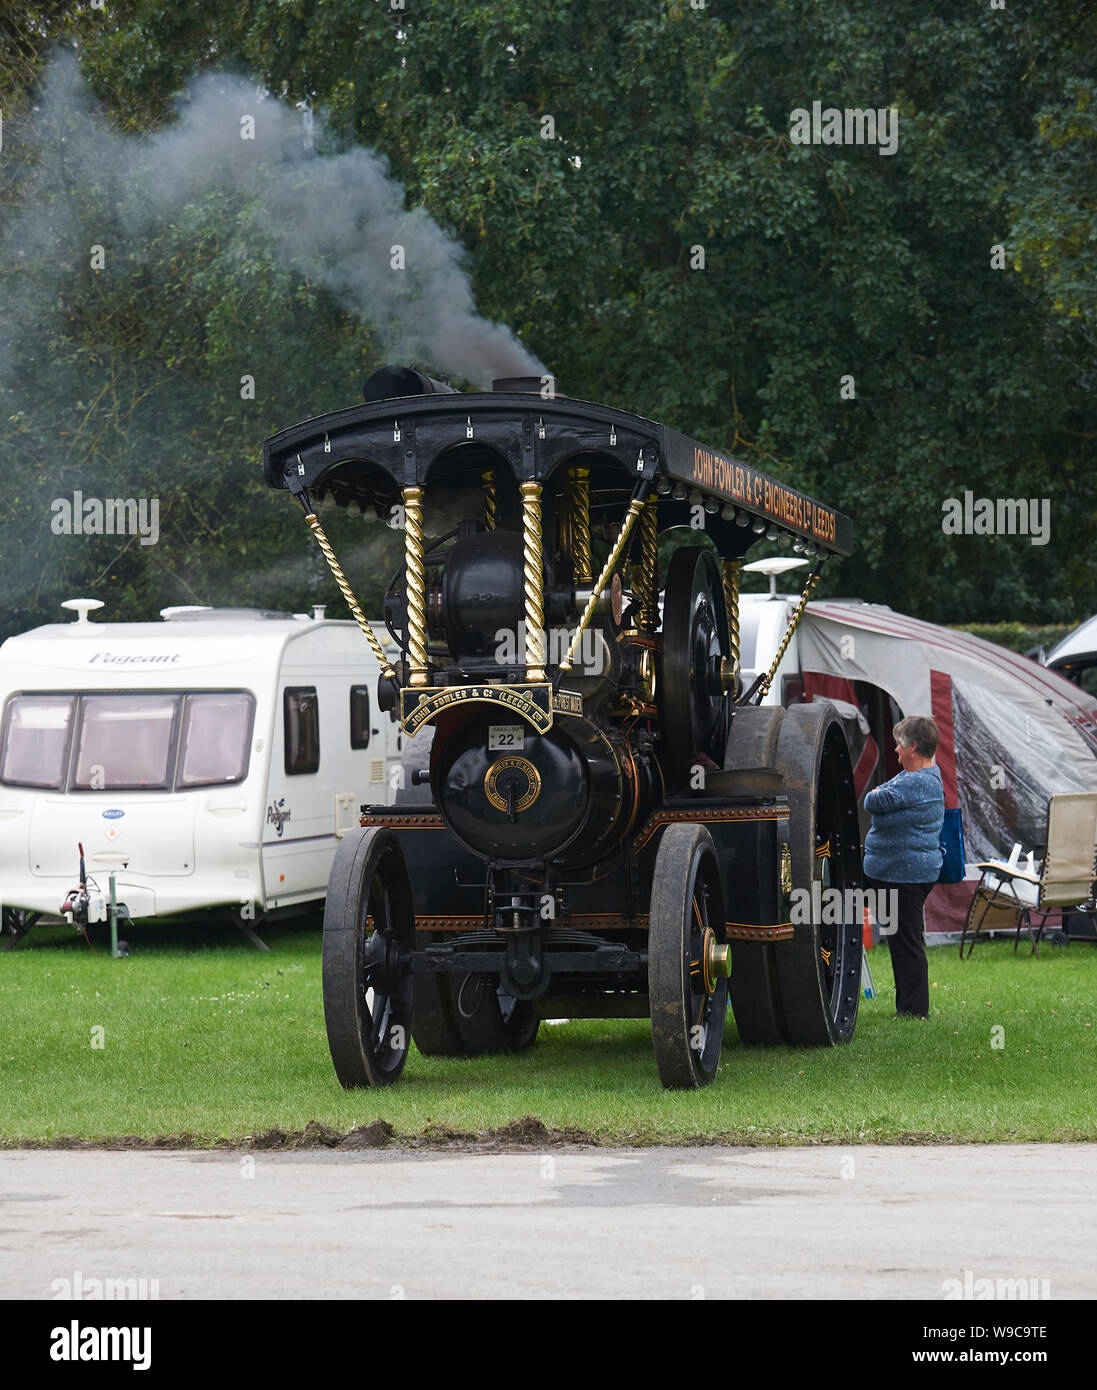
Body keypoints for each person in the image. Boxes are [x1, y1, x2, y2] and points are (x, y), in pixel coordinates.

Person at [863, 715, 945, 1019]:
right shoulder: (920, 776)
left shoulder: (915, 782)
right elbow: (878, 799)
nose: (895, 750)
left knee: (907, 943)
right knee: (902, 941)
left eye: (899, 744)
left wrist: (876, 798)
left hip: (904, 877)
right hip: (895, 874)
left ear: (912, 747)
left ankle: (914, 1010)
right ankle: (909, 1008)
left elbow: (872, 802)